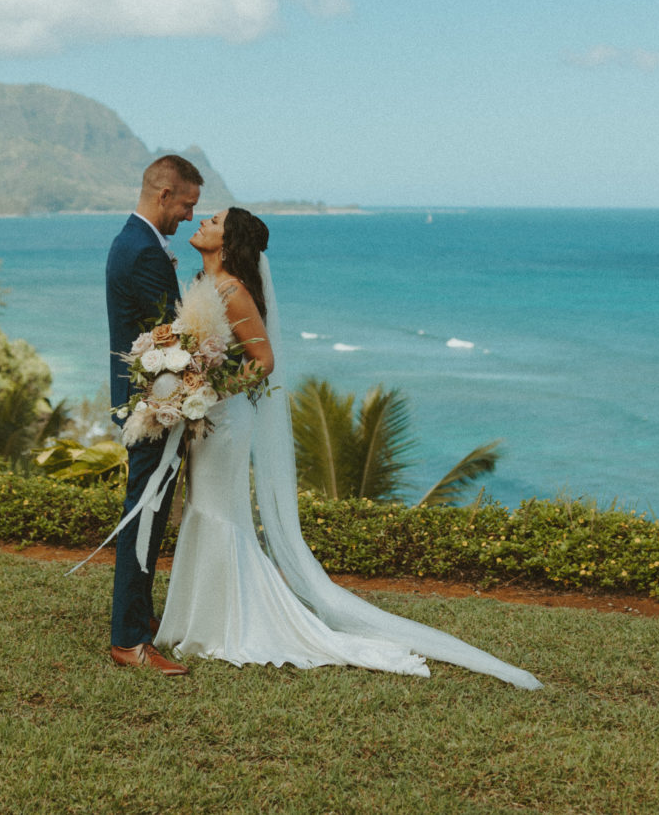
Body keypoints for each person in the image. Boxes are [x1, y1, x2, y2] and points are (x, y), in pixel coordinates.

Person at [155, 207, 542, 690]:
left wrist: (209, 392)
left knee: (218, 514)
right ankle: (199, 618)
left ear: (228, 241)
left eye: (212, 221)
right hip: (207, 418)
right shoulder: (202, 283)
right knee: (203, 509)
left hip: (226, 420)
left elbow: (264, 362)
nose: (203, 223)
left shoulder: (233, 291)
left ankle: (222, 625)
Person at [104, 154, 204, 675]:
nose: (190, 216)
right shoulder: (142, 250)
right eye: (187, 204)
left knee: (147, 513)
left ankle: (136, 628)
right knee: (143, 517)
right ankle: (129, 640)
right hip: (152, 407)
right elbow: (174, 337)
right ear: (164, 195)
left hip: (148, 401)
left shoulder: (134, 240)